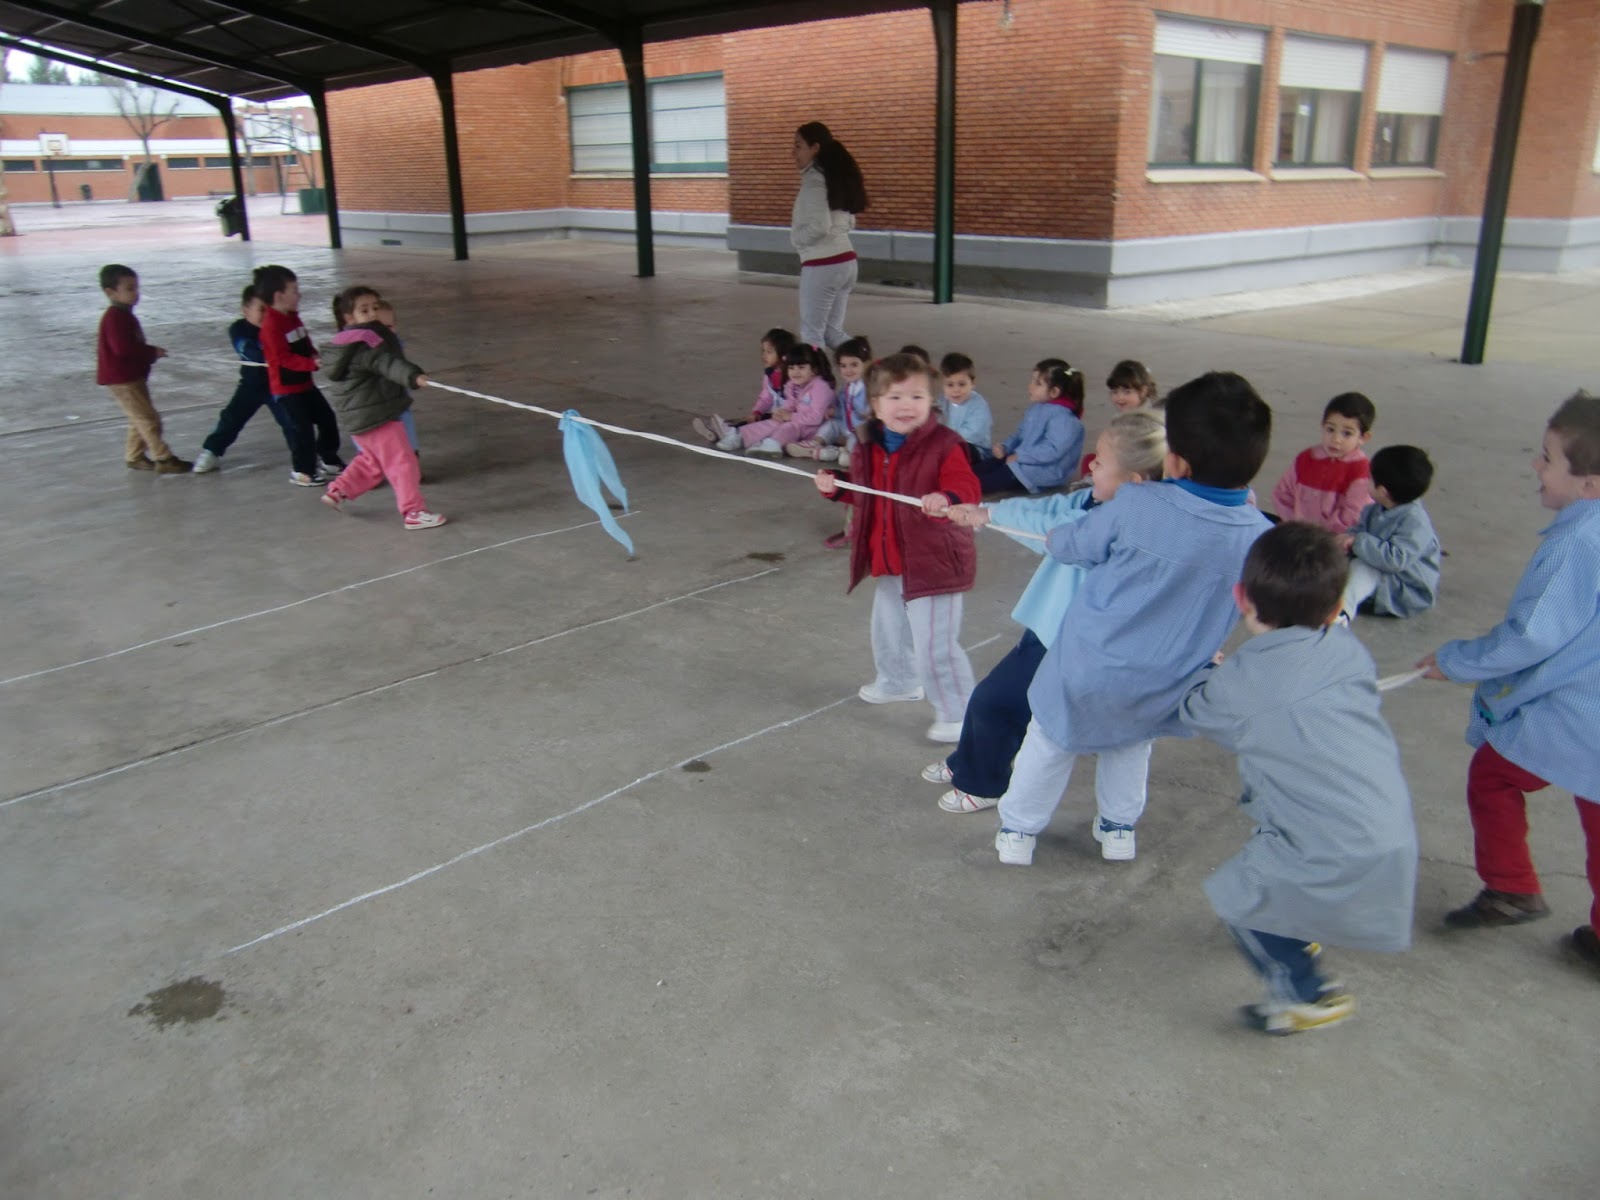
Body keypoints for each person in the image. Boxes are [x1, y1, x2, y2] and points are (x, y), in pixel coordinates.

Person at [990, 371, 1274, 867]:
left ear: (1176, 460)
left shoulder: (1138, 505)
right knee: (1130, 746)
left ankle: (1018, 830)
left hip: (1087, 665)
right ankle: (1119, 829)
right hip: (1167, 676)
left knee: (1051, 739)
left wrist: (1053, 539)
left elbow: (1073, 543)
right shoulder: (1256, 534)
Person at [1179, 522, 1418, 1035]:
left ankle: (1304, 993)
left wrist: (1208, 672)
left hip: (1327, 837)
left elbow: (1198, 711)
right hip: (1384, 818)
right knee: (1275, 860)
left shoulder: (1243, 680)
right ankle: (1298, 926)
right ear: (1335, 611)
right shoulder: (1346, 649)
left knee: (1240, 899)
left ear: (1241, 597)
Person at [1419, 391, 1600, 973]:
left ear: (1588, 486)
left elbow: (1531, 636)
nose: (1535, 466)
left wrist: (1458, 660)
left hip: (1575, 710)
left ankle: (1511, 886)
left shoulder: (1576, 545)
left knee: (1494, 776)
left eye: (1547, 458)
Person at [929, 412, 1168, 816]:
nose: (1090, 463)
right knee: (999, 700)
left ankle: (984, 783)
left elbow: (1055, 534)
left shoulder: (1113, 525)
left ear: (1134, 483)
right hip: (1047, 626)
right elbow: (1053, 508)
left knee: (996, 702)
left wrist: (990, 515)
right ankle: (965, 763)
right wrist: (983, 510)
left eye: (1101, 462)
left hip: (1070, 638)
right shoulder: (1093, 498)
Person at [815, 352, 979, 743]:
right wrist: (837, 486)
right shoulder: (868, 444)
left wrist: (948, 496)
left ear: (931, 402)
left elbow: (966, 486)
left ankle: (960, 713)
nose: (907, 406)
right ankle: (899, 680)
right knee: (888, 628)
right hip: (891, 556)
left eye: (918, 397)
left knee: (934, 643)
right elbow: (865, 492)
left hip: (935, 560)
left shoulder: (945, 444)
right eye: (895, 397)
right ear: (875, 405)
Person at [319, 285, 444, 530]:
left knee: (372, 462)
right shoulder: (365, 344)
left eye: (375, 307)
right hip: (376, 415)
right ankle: (413, 511)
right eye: (365, 310)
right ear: (349, 317)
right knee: (402, 461)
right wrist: (413, 377)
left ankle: (338, 491)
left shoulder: (345, 344)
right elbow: (387, 363)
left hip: (359, 418)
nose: (373, 314)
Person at [254, 264, 343, 486]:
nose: (298, 294)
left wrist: (313, 354)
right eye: (294, 290)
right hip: (287, 390)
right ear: (279, 296)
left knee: (327, 419)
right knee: (301, 430)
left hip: (305, 385)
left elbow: (303, 341)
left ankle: (329, 459)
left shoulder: (293, 317)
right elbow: (282, 359)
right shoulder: (271, 325)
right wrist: (310, 363)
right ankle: (302, 470)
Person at [95, 263, 190, 473]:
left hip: (131, 376)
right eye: (129, 289)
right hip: (122, 379)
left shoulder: (124, 315)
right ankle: (163, 458)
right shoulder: (114, 318)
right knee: (148, 418)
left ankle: (134, 456)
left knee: (138, 417)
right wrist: (150, 352)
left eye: (136, 287)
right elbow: (122, 349)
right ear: (110, 292)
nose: (136, 294)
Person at [191, 285, 295, 474]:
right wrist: (274, 356)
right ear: (245, 310)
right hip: (251, 386)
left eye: (270, 309)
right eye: (261, 310)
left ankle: (304, 457)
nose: (267, 315)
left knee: (292, 421)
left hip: (278, 385)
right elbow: (248, 350)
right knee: (231, 418)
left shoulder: (280, 326)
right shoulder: (238, 329)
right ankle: (211, 451)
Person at [1336, 444, 1440, 621]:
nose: (1366, 480)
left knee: (1364, 567)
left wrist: (1357, 541)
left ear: (1382, 491)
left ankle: (1342, 611)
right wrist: (1345, 540)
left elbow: (1394, 560)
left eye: (1370, 478)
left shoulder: (1415, 522)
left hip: (1402, 589)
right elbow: (1359, 531)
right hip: (1380, 576)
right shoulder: (1375, 509)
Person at [792, 121, 868, 350]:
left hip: (823, 265)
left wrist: (796, 240)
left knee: (812, 334)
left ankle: (818, 386)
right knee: (832, 333)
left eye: (798, 146)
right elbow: (849, 220)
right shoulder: (834, 177)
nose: (793, 153)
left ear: (814, 148)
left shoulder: (815, 180)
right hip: (845, 262)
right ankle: (871, 371)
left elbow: (820, 226)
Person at [976, 359, 1084, 495]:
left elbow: (1051, 451)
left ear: (1054, 392)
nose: (1030, 386)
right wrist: (1005, 447)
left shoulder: (1065, 420)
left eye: (1037, 383)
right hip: (1021, 460)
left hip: (1041, 472)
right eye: (1032, 381)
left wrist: (1019, 456)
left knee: (985, 482)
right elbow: (1021, 434)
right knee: (982, 467)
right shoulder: (1037, 408)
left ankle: (961, 488)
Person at [707, 343, 835, 456]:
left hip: (813, 429)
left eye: (801, 368)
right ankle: (738, 436)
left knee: (788, 427)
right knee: (773, 422)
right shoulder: (792, 385)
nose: (795, 372)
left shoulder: (820, 387)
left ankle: (772, 444)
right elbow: (790, 405)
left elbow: (816, 417)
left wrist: (790, 416)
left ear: (814, 370)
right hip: (798, 422)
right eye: (791, 368)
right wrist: (782, 412)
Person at [1271, 392, 1375, 532]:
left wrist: (1323, 536)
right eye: (1330, 429)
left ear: (1363, 437)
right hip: (1297, 535)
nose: (1336, 439)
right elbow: (1283, 493)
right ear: (1322, 426)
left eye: (1347, 433)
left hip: (1333, 544)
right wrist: (1293, 525)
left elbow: (1355, 512)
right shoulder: (1306, 458)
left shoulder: (1360, 470)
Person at [693, 327, 796, 445]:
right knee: (755, 421)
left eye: (769, 352)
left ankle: (730, 432)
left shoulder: (793, 377)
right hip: (776, 414)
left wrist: (786, 414)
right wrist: (757, 411)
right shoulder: (770, 374)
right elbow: (766, 397)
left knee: (766, 425)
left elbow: (796, 403)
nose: (764, 355)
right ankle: (724, 430)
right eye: (763, 351)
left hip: (788, 419)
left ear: (783, 354)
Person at [819, 336, 874, 547]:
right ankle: (853, 528)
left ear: (866, 364)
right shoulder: (847, 389)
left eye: (854, 364)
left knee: (863, 484)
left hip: (867, 443)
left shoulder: (871, 389)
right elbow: (845, 410)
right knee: (857, 485)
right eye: (843, 366)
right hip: (854, 438)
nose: (848, 370)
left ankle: (857, 529)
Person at [1083, 359, 1161, 474]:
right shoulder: (1128, 416)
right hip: (1126, 462)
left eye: (1127, 392)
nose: (1119, 397)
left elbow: (1140, 456)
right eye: (1115, 392)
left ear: (1143, 391)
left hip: (1138, 469)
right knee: (1090, 461)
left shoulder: (1146, 420)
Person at [936, 352, 992, 465]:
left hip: (975, 449)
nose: (956, 390)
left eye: (961, 384)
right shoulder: (942, 400)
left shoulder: (978, 406)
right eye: (950, 385)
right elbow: (935, 421)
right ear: (943, 385)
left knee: (958, 450)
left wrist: (943, 441)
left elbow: (970, 434)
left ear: (972, 383)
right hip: (946, 445)